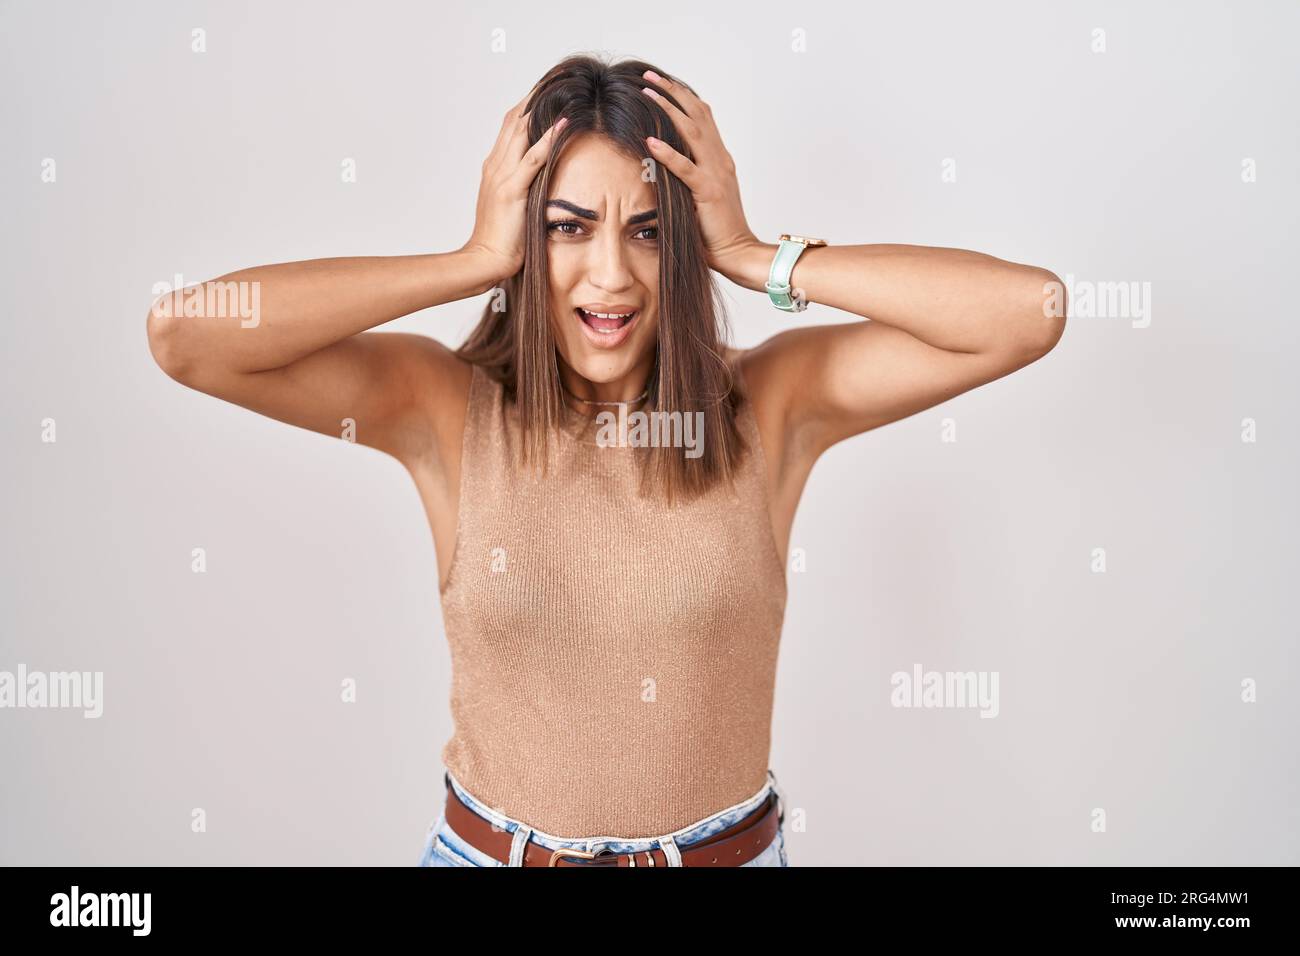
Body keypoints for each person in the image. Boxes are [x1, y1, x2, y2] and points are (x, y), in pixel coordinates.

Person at [145, 54, 1066, 867]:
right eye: (568, 228)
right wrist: (471, 262)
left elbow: (1030, 313)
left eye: (649, 230)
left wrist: (753, 254)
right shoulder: (444, 409)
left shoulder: (768, 408)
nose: (612, 275)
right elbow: (188, 337)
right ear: (526, 239)